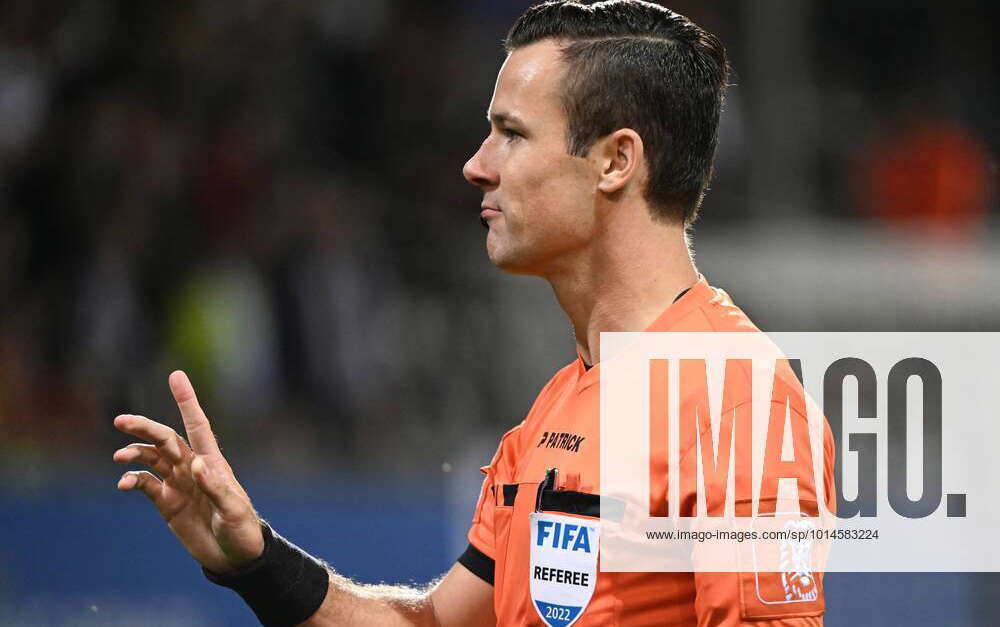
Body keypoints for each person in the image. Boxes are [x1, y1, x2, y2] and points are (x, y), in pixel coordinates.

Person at [113, 1, 833, 625]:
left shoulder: (735, 400)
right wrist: (259, 561)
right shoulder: (557, 407)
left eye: (512, 133)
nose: (476, 164)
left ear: (616, 161)